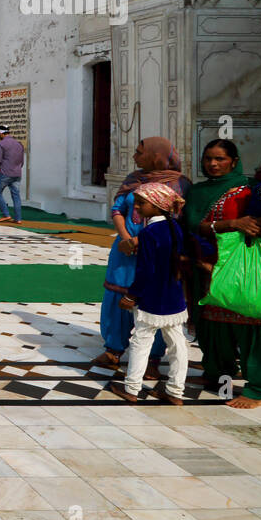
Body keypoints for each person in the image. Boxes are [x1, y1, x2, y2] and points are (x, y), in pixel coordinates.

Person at [94, 137, 189, 376]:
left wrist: (141, 240)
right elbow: (118, 209)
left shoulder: (180, 184)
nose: (135, 158)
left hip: (159, 250)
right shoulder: (133, 179)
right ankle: (113, 350)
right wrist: (126, 237)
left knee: (153, 301)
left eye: (140, 153)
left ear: (156, 156)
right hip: (125, 252)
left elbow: (179, 219)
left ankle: (152, 359)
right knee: (118, 296)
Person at [182, 138, 255, 396]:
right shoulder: (197, 191)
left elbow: (254, 226)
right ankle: (216, 371)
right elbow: (191, 225)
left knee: (238, 318)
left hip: (234, 265)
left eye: (220, 159)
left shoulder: (246, 190)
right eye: (208, 158)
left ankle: (253, 376)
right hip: (200, 264)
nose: (212, 164)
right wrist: (230, 224)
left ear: (234, 162)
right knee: (208, 320)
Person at [110, 183, 189, 405]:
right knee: (177, 344)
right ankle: (175, 391)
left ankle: (132, 389)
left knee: (141, 341)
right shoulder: (175, 228)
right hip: (173, 296)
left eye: (142, 203)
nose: (137, 207)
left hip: (152, 298)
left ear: (157, 205)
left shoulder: (149, 233)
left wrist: (131, 295)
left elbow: (146, 270)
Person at [0, 125, 25, 223]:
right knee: (16, 195)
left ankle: (6, 215)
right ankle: (18, 219)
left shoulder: (1, 144)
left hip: (5, 173)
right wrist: (17, 169)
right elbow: (22, 161)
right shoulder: (19, 144)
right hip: (17, 173)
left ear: (1, 134)